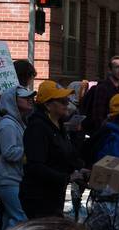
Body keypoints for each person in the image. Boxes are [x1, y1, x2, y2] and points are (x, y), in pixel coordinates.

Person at [20, 80, 84, 220]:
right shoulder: (37, 128)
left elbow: (67, 155)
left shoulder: (59, 125)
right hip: (39, 199)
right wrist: (66, 177)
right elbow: (35, 166)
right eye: (62, 100)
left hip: (55, 196)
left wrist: (81, 168)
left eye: (66, 99)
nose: (67, 103)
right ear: (48, 105)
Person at [0, 85, 35, 230]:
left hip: (11, 178)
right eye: (25, 97)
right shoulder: (8, 124)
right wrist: (33, 152)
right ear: (12, 101)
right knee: (20, 217)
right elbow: (9, 152)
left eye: (30, 97)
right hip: (6, 179)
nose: (30, 100)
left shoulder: (18, 123)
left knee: (10, 218)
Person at [80, 56, 119, 137]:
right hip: (105, 136)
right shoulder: (102, 88)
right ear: (110, 70)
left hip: (114, 133)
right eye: (117, 67)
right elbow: (98, 117)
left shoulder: (118, 90)